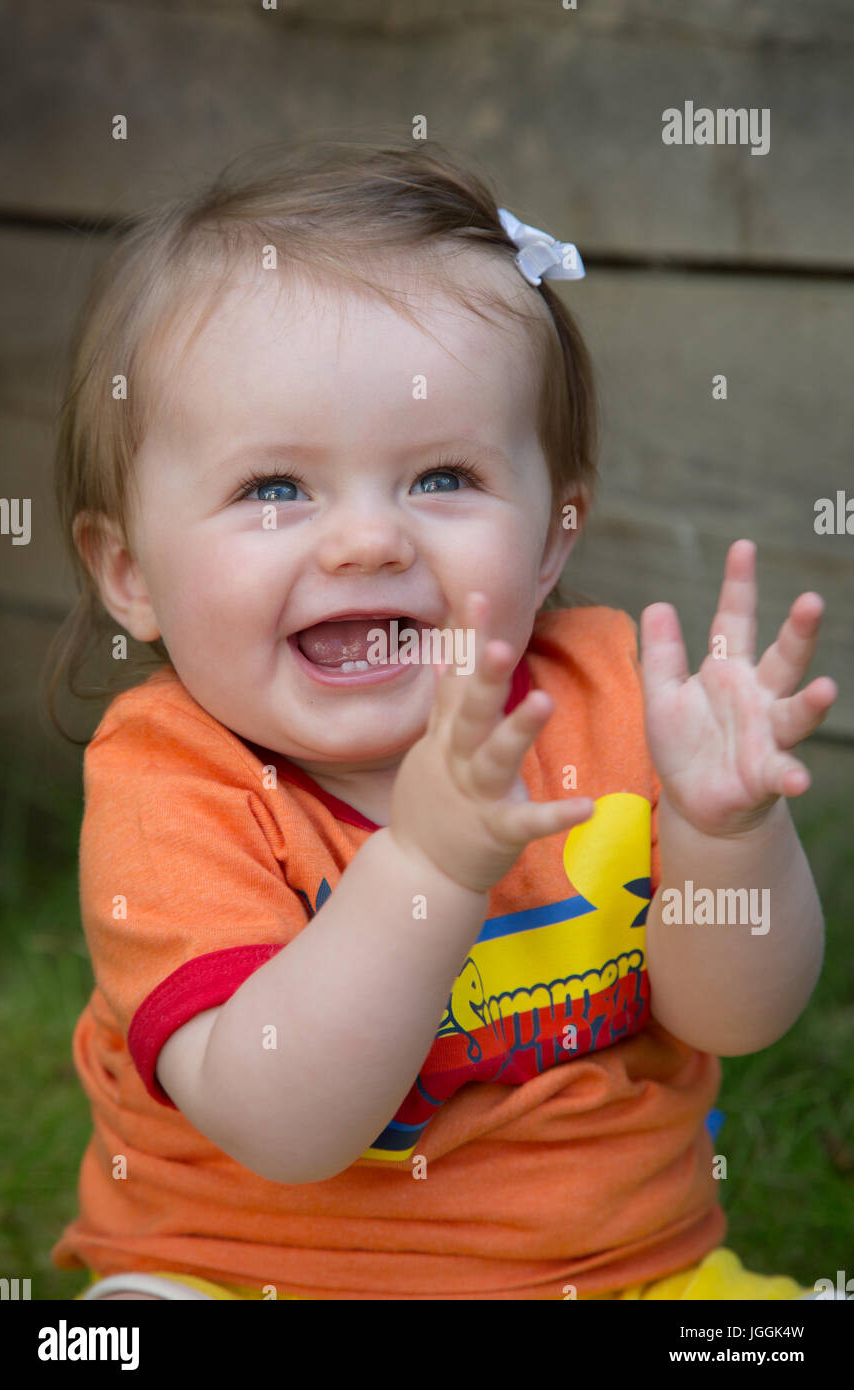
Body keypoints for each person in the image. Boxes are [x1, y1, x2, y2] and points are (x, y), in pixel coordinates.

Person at [45, 138, 838, 1301]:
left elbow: (734, 1014)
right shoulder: (173, 786)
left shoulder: (616, 695)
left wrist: (727, 833)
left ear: (551, 532)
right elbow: (283, 1122)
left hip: (611, 1272)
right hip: (248, 1273)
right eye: (275, 488)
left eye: (440, 478)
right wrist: (425, 864)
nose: (367, 539)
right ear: (130, 573)